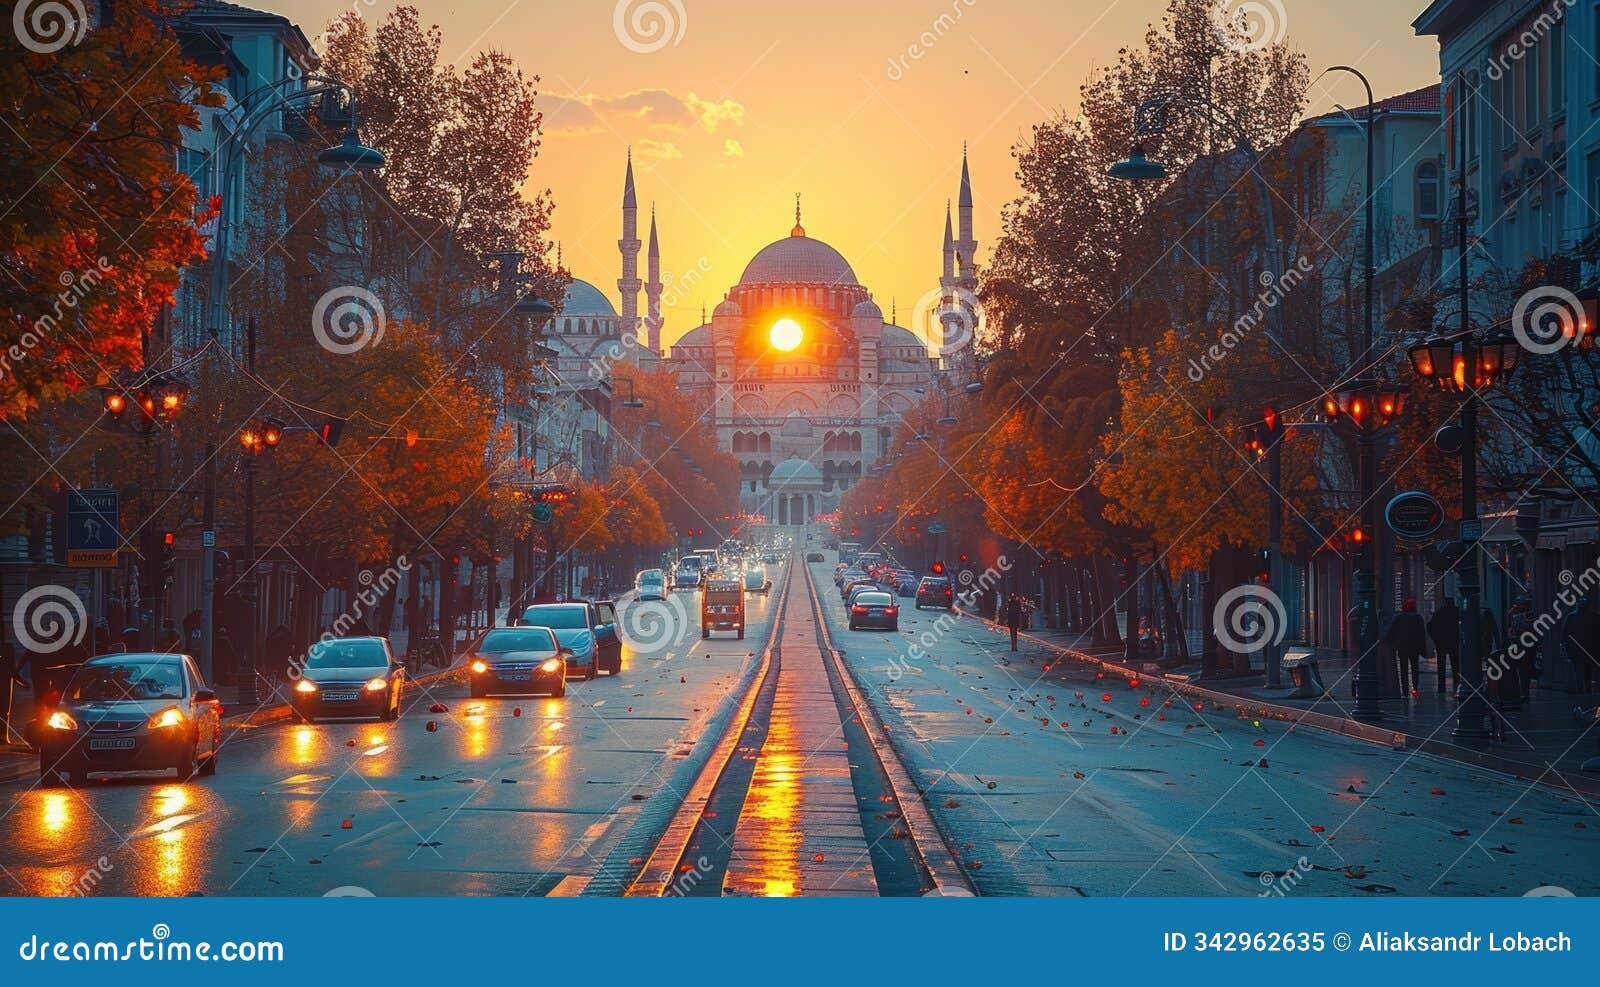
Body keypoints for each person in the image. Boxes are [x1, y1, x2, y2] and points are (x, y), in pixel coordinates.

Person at [1385, 599, 1428, 697]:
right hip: (1415, 649)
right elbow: (1421, 635)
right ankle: (1415, 689)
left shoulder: (1399, 618)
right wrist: (1423, 650)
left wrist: (1395, 643)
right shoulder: (1418, 618)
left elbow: (1390, 633)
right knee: (1415, 669)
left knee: (1403, 670)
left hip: (1402, 648)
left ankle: (1405, 691)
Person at [1564, 601, 1600, 696]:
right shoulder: (1595, 616)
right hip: (1591, 650)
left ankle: (1582, 691)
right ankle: (1587, 690)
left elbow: (1565, 634)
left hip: (1577, 650)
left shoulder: (1571, 617)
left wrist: (1567, 648)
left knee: (1579, 672)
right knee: (1587, 671)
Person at [1427, 599, 1459, 694]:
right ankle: (1457, 681)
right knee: (1455, 663)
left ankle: (1441, 683)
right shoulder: (1457, 612)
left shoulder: (1439, 612)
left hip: (1442, 642)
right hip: (1454, 642)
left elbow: (1430, 626)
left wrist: (1436, 639)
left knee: (1441, 663)